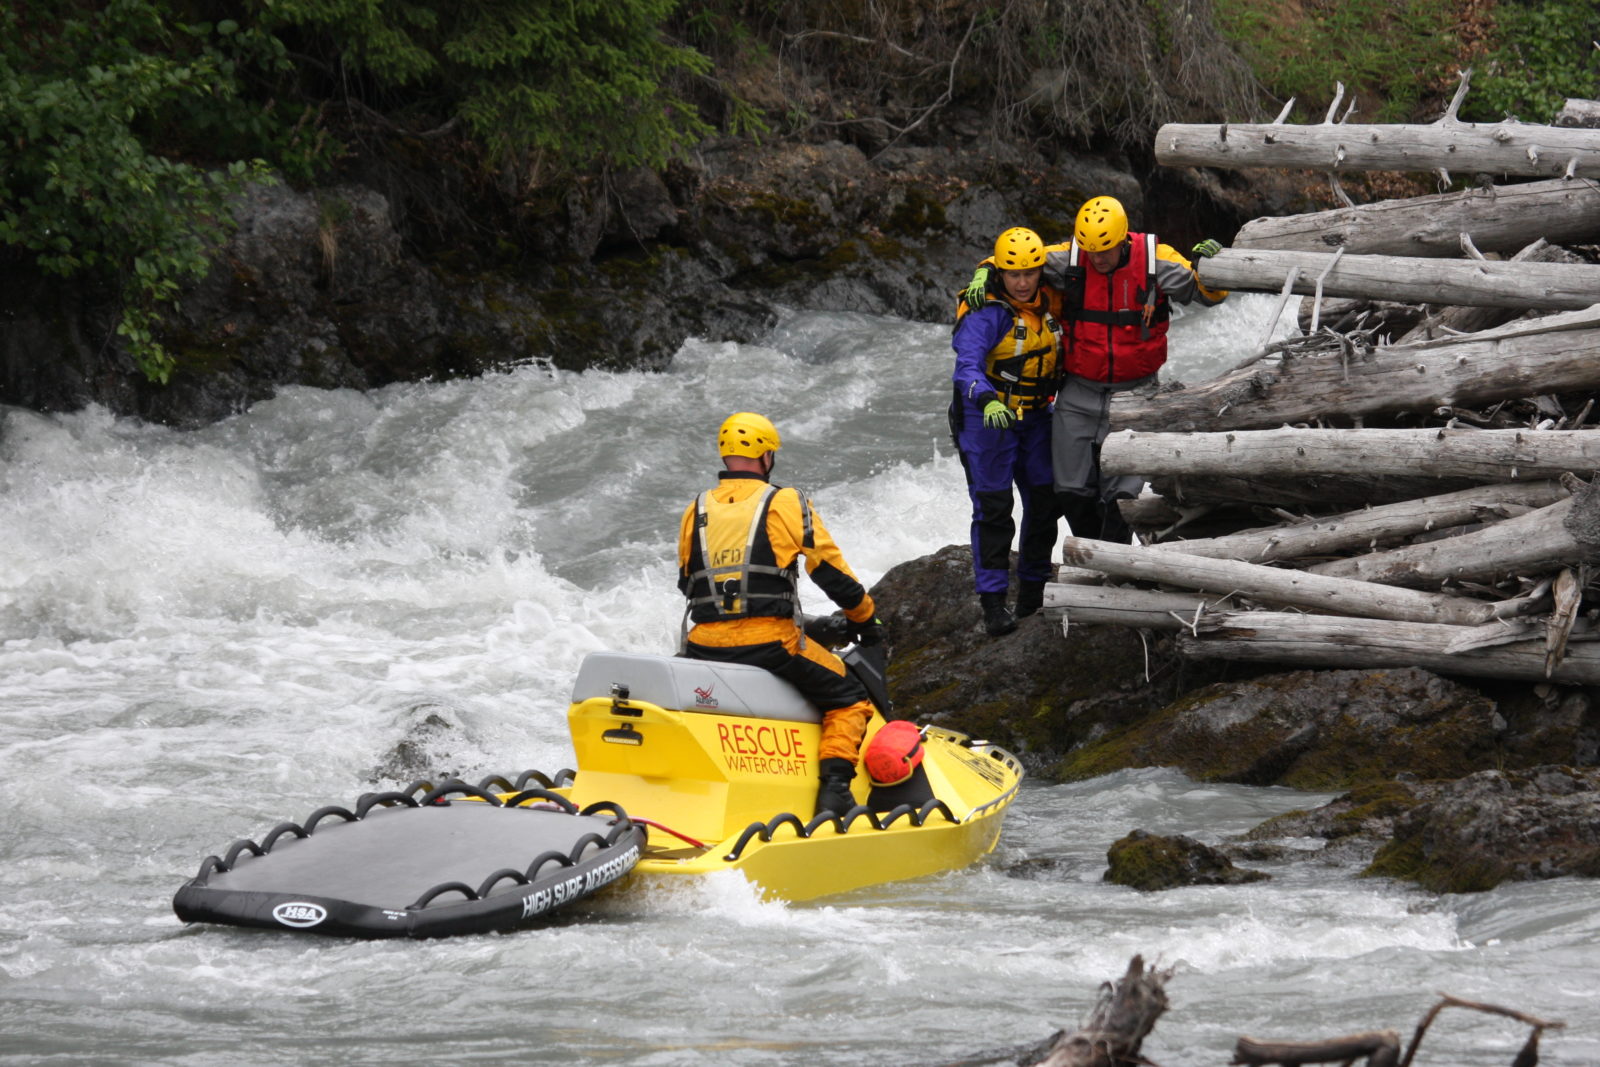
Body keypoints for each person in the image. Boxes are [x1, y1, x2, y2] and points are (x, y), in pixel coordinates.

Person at [965, 196, 1228, 544]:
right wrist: (984, 272)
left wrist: (1214, 263)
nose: (1097, 259)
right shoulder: (1070, 258)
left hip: (1138, 392)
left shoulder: (1156, 260)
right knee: (1071, 492)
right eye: (1090, 250)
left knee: (1122, 497)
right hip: (1078, 390)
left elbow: (1208, 294)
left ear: (1122, 239)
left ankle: (1116, 568)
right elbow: (1015, 258)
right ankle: (1094, 559)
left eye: (1104, 250)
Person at [677, 412, 886, 818]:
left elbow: (688, 584)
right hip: (770, 644)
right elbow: (829, 570)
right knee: (849, 698)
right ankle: (836, 791)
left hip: (701, 644)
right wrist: (864, 617)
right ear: (766, 455)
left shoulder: (695, 509)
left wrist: (813, 626)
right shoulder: (784, 501)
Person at [951, 226, 1065, 637]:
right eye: (1012, 274)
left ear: (1040, 271)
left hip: (1036, 417)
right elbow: (965, 368)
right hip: (987, 420)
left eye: (1029, 274)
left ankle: (1032, 593)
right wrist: (987, 399)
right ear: (999, 272)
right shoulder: (985, 311)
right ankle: (994, 601)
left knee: (1045, 500)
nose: (1021, 282)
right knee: (995, 508)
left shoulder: (1052, 297)